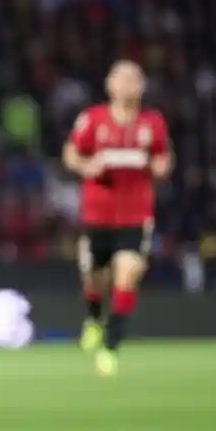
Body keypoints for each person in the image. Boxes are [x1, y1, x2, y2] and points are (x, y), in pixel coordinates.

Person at [63, 61, 171, 377]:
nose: (127, 84)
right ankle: (94, 316)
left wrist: (161, 167)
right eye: (121, 78)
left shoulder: (152, 123)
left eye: (133, 79)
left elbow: (163, 157)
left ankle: (111, 346)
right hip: (97, 214)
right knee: (94, 276)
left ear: (142, 87)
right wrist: (86, 167)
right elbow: (71, 153)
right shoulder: (93, 120)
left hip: (135, 216)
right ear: (110, 85)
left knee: (128, 273)